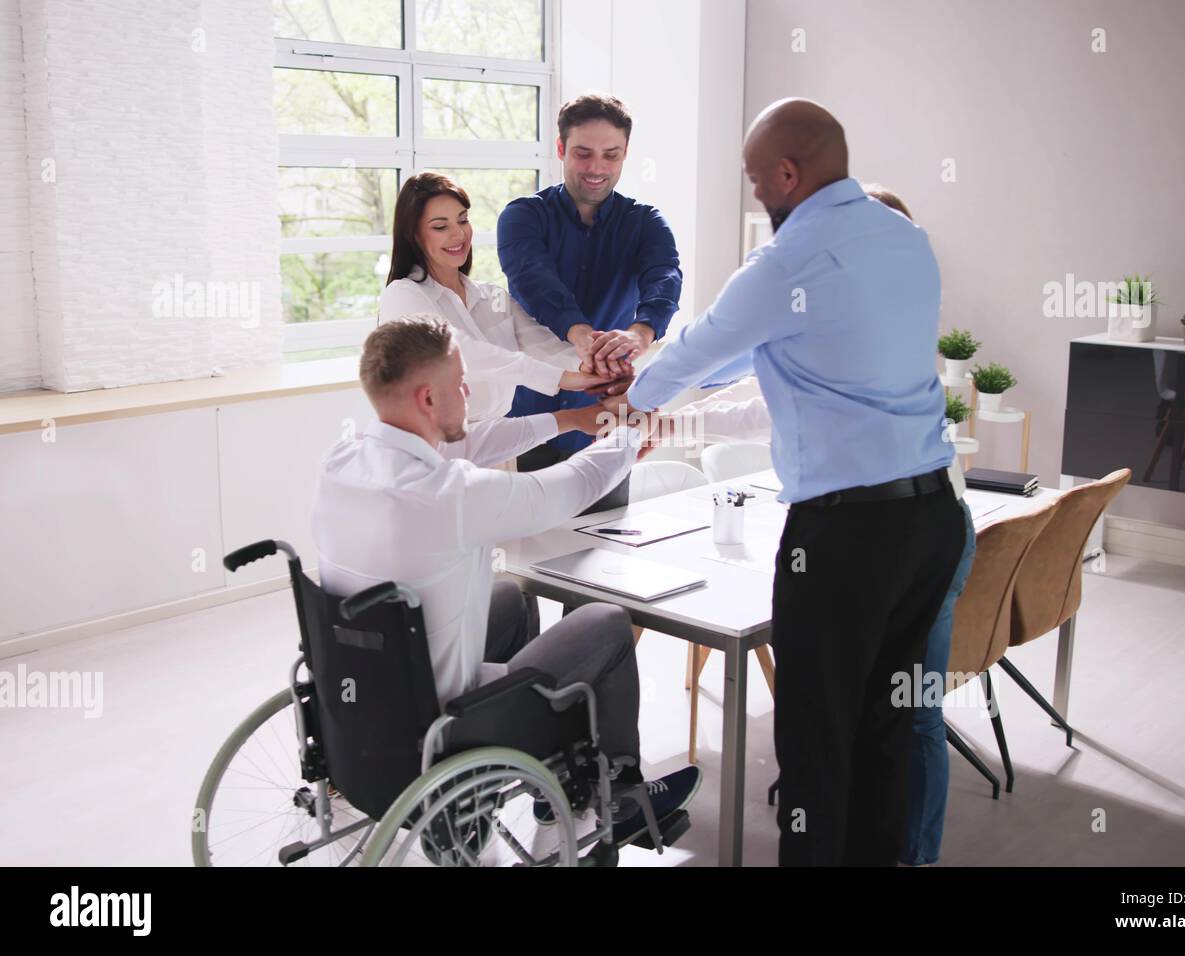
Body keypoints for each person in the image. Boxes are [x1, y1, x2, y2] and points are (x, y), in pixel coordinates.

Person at [610, 99, 965, 866]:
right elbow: (774, 345)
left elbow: (702, 346)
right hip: (933, 517)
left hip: (849, 536)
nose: (754, 195)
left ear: (786, 173)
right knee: (885, 727)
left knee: (816, 737)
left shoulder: (790, 258)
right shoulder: (905, 238)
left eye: (753, 180)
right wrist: (677, 399)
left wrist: (631, 398)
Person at [310, 316, 700, 846]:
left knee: (511, 601)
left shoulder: (343, 460)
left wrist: (575, 420)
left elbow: (469, 443)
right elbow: (565, 488)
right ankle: (620, 802)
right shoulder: (446, 495)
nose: (469, 392)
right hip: (444, 721)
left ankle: (536, 794)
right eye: (460, 383)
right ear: (427, 398)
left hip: (361, 698)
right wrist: (628, 435)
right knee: (606, 620)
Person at [497, 92, 682, 513]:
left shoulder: (646, 223)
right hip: (533, 419)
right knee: (534, 548)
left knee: (607, 545)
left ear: (625, 155)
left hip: (610, 422)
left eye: (610, 154)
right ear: (560, 148)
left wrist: (639, 335)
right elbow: (533, 281)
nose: (597, 167)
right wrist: (583, 337)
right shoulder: (522, 216)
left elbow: (665, 277)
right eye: (583, 153)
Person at [377, 172, 615, 424]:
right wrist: (560, 379)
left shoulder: (492, 297)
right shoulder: (403, 295)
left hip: (498, 439)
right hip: (436, 448)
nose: (459, 235)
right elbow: (455, 352)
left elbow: (543, 345)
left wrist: (597, 367)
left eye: (463, 220)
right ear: (412, 235)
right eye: (440, 226)